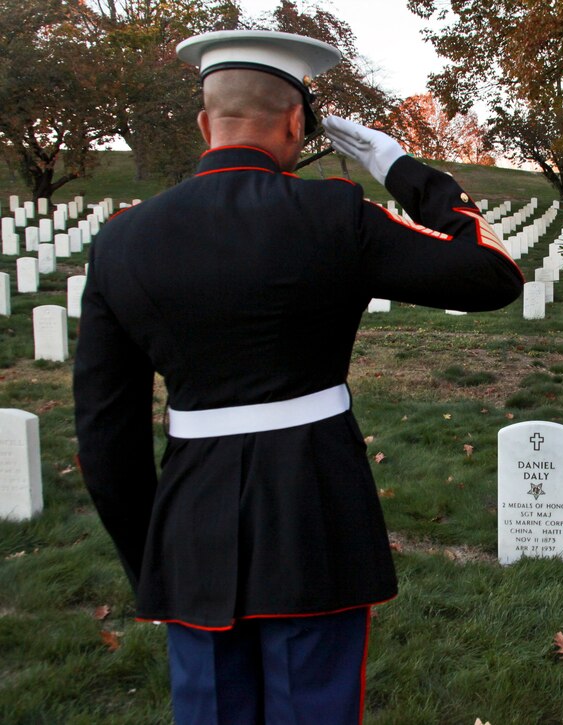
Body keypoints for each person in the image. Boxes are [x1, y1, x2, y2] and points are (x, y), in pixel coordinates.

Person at [73, 29, 523, 725]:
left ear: (204, 122)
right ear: (294, 120)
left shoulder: (122, 240)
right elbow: (490, 274)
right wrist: (401, 168)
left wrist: (156, 564)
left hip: (193, 528)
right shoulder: (334, 215)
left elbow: (106, 435)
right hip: (315, 511)